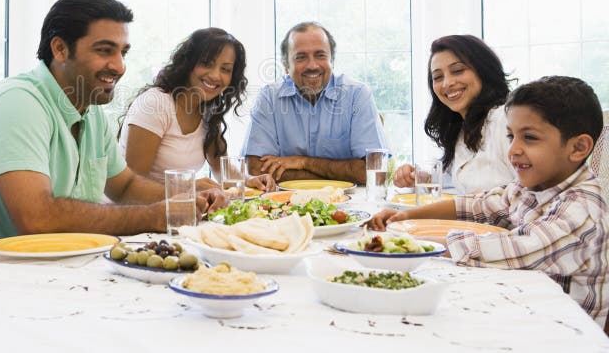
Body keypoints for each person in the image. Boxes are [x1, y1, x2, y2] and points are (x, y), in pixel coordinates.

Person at [0, 0, 227, 239]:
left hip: (58, 267)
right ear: (60, 48)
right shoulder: (18, 103)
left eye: (123, 53)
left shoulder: (90, 111)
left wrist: (188, 197)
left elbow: (125, 187)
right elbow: (36, 218)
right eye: (104, 51)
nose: (119, 66)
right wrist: (152, 216)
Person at [369, 76, 608, 324]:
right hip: (526, 308)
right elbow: (476, 205)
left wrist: (406, 240)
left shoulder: (582, 209)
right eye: (510, 136)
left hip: (563, 334)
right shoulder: (533, 186)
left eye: (530, 138)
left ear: (578, 147)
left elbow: (514, 248)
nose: (513, 150)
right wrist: (407, 216)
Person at [119, 28, 275, 192]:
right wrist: (188, 187)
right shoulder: (155, 104)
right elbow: (132, 186)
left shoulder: (208, 111)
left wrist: (250, 180)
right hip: (137, 213)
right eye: (207, 63)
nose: (215, 76)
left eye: (226, 69)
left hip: (175, 210)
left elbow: (224, 171)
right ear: (188, 63)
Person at [241, 21, 387, 184]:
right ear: (286, 65)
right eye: (301, 57)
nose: (312, 65)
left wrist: (304, 162)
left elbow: (375, 173)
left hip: (351, 203)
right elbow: (255, 170)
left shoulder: (358, 94)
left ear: (332, 60)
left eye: (320, 55)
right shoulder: (269, 97)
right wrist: (342, 172)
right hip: (284, 203)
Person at [393, 35, 515, 194]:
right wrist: (419, 177)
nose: (447, 83)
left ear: (483, 70)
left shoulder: (505, 120)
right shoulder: (461, 128)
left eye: (457, 71)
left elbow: (530, 193)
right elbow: (457, 186)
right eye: (437, 77)